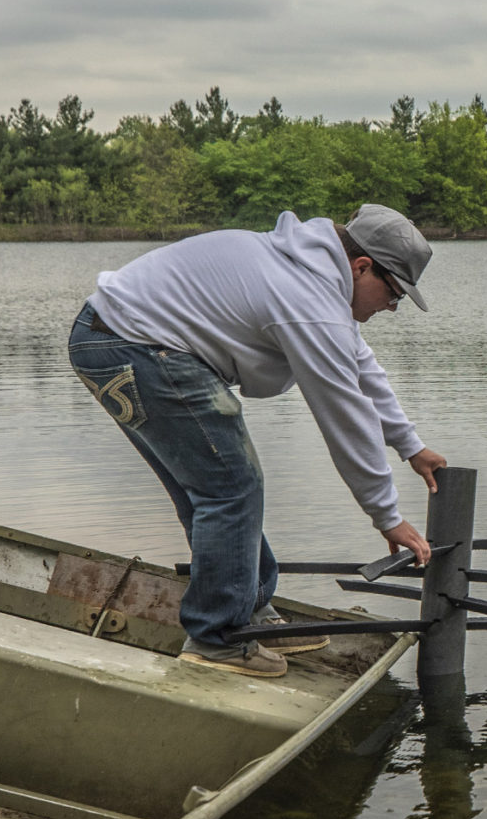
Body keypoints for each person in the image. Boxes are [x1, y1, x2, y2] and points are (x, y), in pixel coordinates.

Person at [68, 203, 447, 678]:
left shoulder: (314, 275)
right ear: (362, 266)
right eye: (393, 295)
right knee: (229, 488)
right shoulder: (310, 301)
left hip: (111, 337)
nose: (390, 308)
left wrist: (411, 446)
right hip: (135, 344)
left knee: (212, 489)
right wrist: (387, 516)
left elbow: (361, 367)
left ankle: (248, 612)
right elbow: (345, 416)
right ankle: (217, 638)